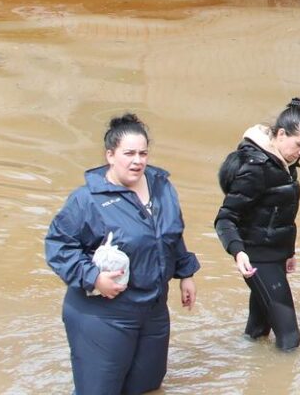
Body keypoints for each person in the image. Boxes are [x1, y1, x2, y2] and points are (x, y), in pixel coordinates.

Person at [45, 113, 200, 395]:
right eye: (128, 153)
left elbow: (170, 234)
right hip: (103, 314)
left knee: (147, 387)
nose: (137, 160)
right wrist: (93, 277)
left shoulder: (162, 187)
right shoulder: (87, 199)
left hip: (153, 308)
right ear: (110, 155)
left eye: (143, 153)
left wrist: (185, 273)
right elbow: (58, 246)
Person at [215, 96, 300, 351]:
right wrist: (238, 251)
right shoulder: (256, 168)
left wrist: (288, 252)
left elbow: (282, 214)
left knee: (258, 331)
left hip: (274, 255)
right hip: (257, 259)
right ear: (281, 134)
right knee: (290, 339)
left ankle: (250, 369)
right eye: (299, 144)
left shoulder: (283, 164)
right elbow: (225, 218)